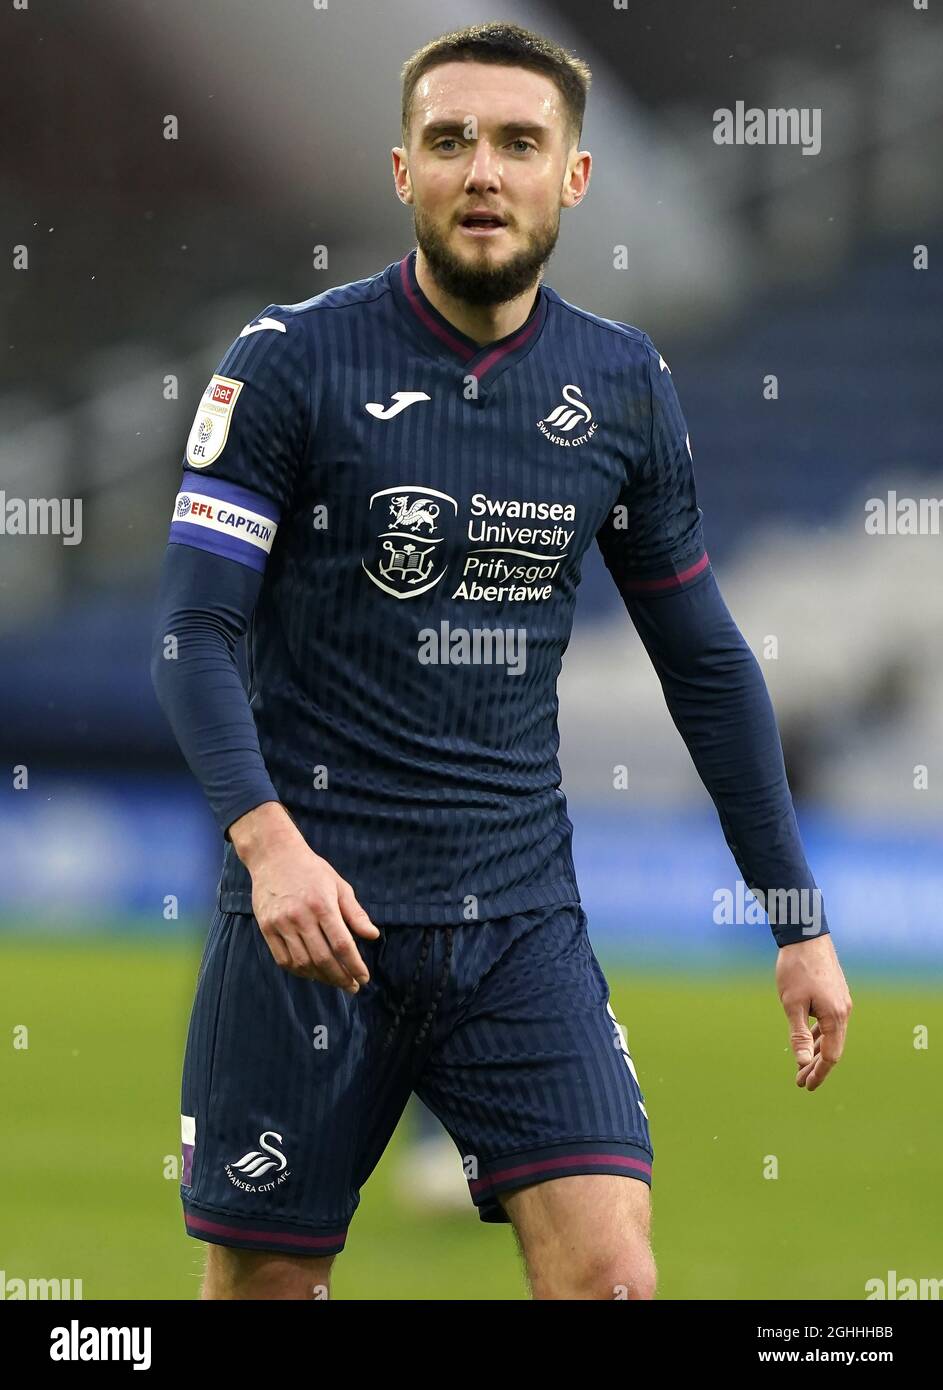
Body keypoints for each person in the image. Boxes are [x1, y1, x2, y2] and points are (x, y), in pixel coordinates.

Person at [151, 21, 852, 1301]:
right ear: (402, 171)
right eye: (452, 140)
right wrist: (269, 847)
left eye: (520, 143)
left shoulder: (622, 384)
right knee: (267, 1294)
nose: (485, 169)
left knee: (611, 1282)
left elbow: (703, 660)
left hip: (518, 920)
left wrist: (794, 917)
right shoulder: (290, 364)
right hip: (314, 919)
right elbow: (192, 632)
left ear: (572, 178)